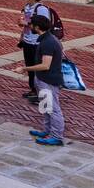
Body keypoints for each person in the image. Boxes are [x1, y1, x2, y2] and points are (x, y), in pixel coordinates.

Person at [24, 14, 65, 146]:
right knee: (46, 106)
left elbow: (45, 65)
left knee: (53, 108)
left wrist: (25, 68)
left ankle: (57, 136)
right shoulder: (47, 39)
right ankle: (47, 130)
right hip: (43, 79)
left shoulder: (48, 42)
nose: (29, 26)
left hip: (49, 80)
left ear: (37, 27)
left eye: (30, 24)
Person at [18, 0, 51, 104]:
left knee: (38, 68)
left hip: (37, 42)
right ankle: (33, 90)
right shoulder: (27, 6)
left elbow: (43, 25)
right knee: (30, 66)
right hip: (27, 41)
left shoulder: (41, 9)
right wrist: (22, 35)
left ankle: (41, 93)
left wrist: (25, 23)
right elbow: (26, 23)